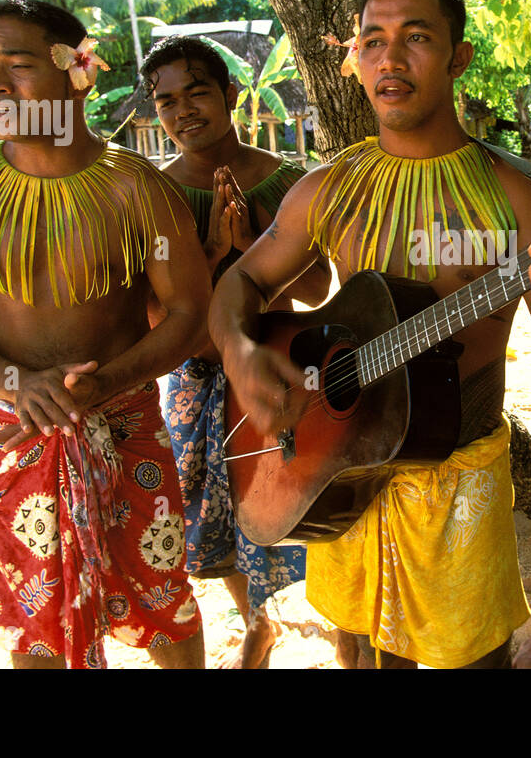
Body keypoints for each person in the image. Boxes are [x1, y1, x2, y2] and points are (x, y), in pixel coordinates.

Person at [209, 0, 531, 669]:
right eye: (373, 41)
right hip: (338, 465)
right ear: (355, 60)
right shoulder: (328, 188)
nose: (390, 60)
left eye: (415, 38)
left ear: (459, 58)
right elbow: (241, 279)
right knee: (362, 652)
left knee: (477, 661)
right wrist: (244, 358)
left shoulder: (522, 198)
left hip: (460, 477)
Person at [0, 0, 210, 669]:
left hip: (126, 424)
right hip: (18, 430)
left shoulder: (137, 189)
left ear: (80, 70)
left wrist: (105, 383)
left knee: (162, 597)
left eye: (17, 66)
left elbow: (189, 312)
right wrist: (20, 385)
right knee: (31, 608)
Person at [142, 35, 331, 669]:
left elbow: (315, 287)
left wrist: (254, 246)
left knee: (296, 495)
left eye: (196, 91)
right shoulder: (153, 196)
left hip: (279, 365)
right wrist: (218, 257)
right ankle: (256, 620)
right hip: (198, 375)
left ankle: (327, 620)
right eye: (166, 101)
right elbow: (159, 318)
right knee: (208, 504)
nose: (182, 110)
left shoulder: (287, 180)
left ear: (229, 94)